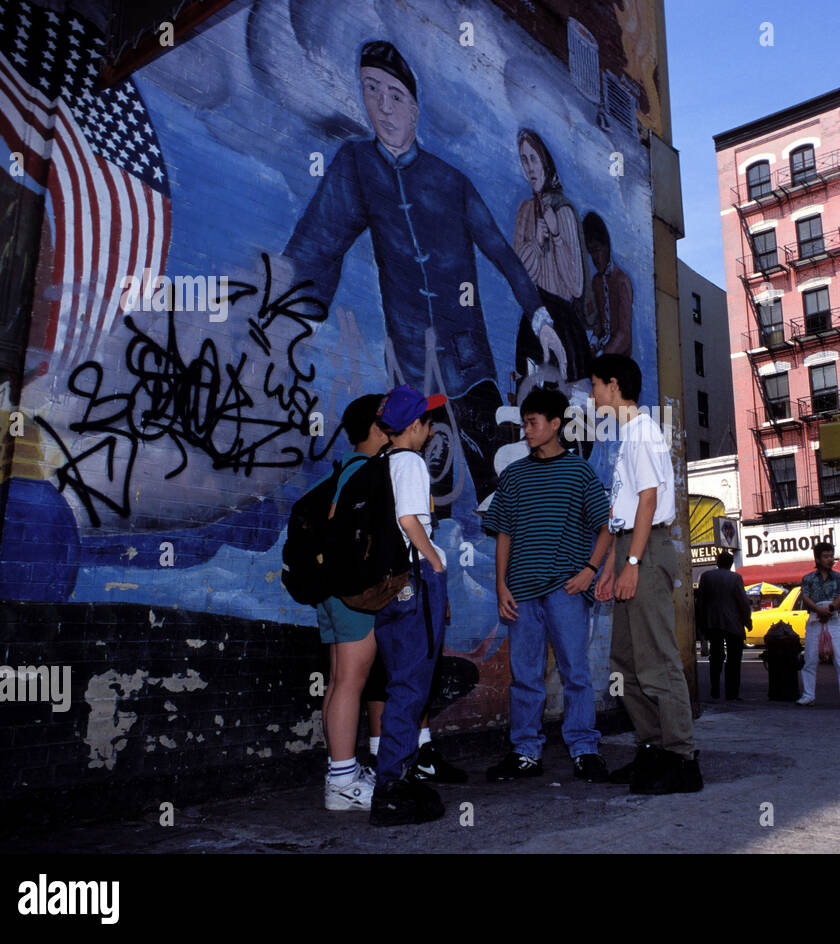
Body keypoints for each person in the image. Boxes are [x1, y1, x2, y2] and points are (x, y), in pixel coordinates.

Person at [284, 41, 566, 507]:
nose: (382, 106)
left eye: (395, 96)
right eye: (371, 90)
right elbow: (321, 239)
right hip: (411, 360)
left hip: (466, 352)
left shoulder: (450, 181)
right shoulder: (357, 166)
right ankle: (435, 569)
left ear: (415, 109)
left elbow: (501, 251)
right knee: (427, 487)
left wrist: (540, 317)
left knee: (493, 473)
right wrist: (294, 315)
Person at [480, 386, 611, 781]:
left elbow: (606, 528)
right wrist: (501, 586)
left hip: (566, 590)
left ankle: (584, 749)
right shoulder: (514, 475)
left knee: (575, 672)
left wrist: (589, 570)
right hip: (521, 592)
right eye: (524, 423)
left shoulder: (579, 471)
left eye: (533, 423)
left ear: (556, 425)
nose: (526, 430)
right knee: (525, 676)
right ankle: (525, 752)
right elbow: (503, 532)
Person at [592, 354, 702, 793]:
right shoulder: (629, 436)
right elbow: (626, 508)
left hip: (648, 548)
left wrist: (633, 563)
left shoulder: (644, 431)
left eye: (596, 384)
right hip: (630, 546)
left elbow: (650, 502)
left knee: (657, 659)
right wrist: (611, 565)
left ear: (614, 385)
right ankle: (653, 748)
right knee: (626, 661)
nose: (594, 393)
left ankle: (682, 758)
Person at [369, 385, 451, 826]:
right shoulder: (411, 464)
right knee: (411, 686)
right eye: (427, 420)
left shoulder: (377, 464)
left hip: (387, 586)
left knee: (399, 681)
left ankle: (394, 776)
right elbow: (409, 520)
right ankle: (392, 786)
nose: (432, 427)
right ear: (413, 426)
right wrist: (435, 563)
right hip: (415, 579)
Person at [318, 394, 389, 811]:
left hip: (331, 589)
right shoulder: (373, 473)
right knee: (350, 682)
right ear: (380, 428)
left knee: (338, 679)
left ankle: (341, 772)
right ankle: (342, 781)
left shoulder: (345, 470)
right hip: (354, 593)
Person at [512, 130, 591, 385]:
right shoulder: (525, 211)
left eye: (534, 159)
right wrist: (536, 242)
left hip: (564, 321)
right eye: (524, 160)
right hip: (534, 317)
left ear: (545, 162)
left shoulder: (564, 210)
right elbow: (519, 275)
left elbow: (576, 285)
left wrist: (556, 234)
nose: (529, 168)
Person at [797, 541, 840, 709]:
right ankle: (808, 695)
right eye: (825, 556)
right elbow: (805, 597)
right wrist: (819, 610)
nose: (829, 560)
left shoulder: (839, 577)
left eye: (831, 556)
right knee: (810, 659)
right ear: (818, 559)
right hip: (814, 619)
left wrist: (831, 608)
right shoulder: (808, 578)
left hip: (833, 619)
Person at [695, 551, 751, 700]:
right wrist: (747, 621)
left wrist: (702, 624)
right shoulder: (735, 578)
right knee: (734, 659)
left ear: (717, 562)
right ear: (731, 563)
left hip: (713, 622)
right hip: (733, 623)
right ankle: (732, 693)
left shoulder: (706, 577)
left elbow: (700, 602)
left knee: (716, 656)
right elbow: (743, 602)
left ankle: (715, 690)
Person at [583, 212, 633, 358]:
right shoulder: (596, 281)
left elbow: (624, 335)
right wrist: (593, 343)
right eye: (591, 252)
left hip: (618, 360)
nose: (595, 258)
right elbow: (600, 321)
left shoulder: (622, 281)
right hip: (602, 353)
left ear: (607, 247)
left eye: (597, 250)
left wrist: (602, 356)